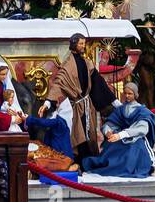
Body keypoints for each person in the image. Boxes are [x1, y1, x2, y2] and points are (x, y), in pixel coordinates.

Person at [38, 33, 117, 161]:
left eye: (84, 43)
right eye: (81, 44)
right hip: (75, 106)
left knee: (89, 134)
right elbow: (59, 84)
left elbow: (97, 81)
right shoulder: (68, 65)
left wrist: (113, 100)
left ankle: (89, 160)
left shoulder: (86, 62)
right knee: (77, 134)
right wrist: (47, 103)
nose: (83, 46)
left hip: (86, 105)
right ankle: (77, 161)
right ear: (74, 44)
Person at [80, 83, 155, 179]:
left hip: (136, 140)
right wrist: (108, 132)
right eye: (125, 93)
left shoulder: (142, 111)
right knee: (111, 149)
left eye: (130, 93)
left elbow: (142, 129)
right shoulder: (120, 109)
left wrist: (121, 135)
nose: (127, 96)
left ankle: (124, 167)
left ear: (135, 95)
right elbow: (110, 123)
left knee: (131, 151)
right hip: (118, 138)